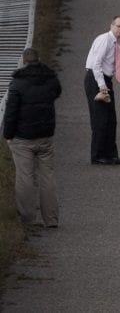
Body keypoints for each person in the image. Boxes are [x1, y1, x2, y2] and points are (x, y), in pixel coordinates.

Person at [3, 47, 62, 228]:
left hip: (23, 138)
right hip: (45, 135)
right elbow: (57, 93)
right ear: (39, 59)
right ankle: (51, 219)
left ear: (23, 60)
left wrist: (8, 135)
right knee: (47, 177)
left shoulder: (17, 83)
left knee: (25, 177)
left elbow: (11, 112)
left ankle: (28, 219)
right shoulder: (50, 79)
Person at [84, 15, 120, 165]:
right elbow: (96, 64)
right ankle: (97, 155)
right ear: (111, 26)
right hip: (96, 80)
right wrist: (101, 85)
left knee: (111, 120)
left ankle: (111, 155)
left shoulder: (116, 45)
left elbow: (117, 68)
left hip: (105, 81)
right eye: (118, 26)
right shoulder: (104, 40)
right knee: (100, 119)